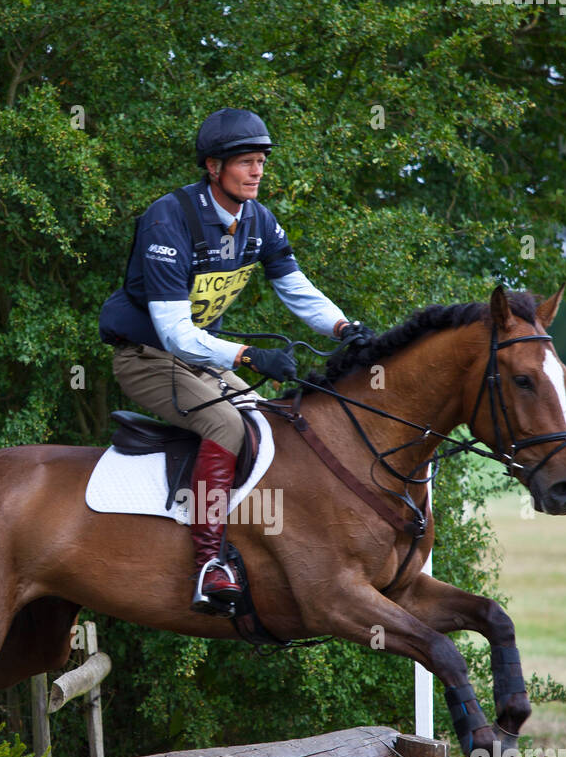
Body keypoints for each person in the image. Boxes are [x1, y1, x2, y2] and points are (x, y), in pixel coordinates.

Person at [99, 107, 367, 613]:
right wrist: (248, 356)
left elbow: (295, 288)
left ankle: (258, 538)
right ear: (212, 167)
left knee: (269, 425)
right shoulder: (169, 219)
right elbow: (176, 334)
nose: (258, 171)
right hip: (147, 357)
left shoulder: (258, 221)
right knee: (227, 427)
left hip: (198, 359)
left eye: (261, 161)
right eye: (246, 161)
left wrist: (342, 327)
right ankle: (208, 564)